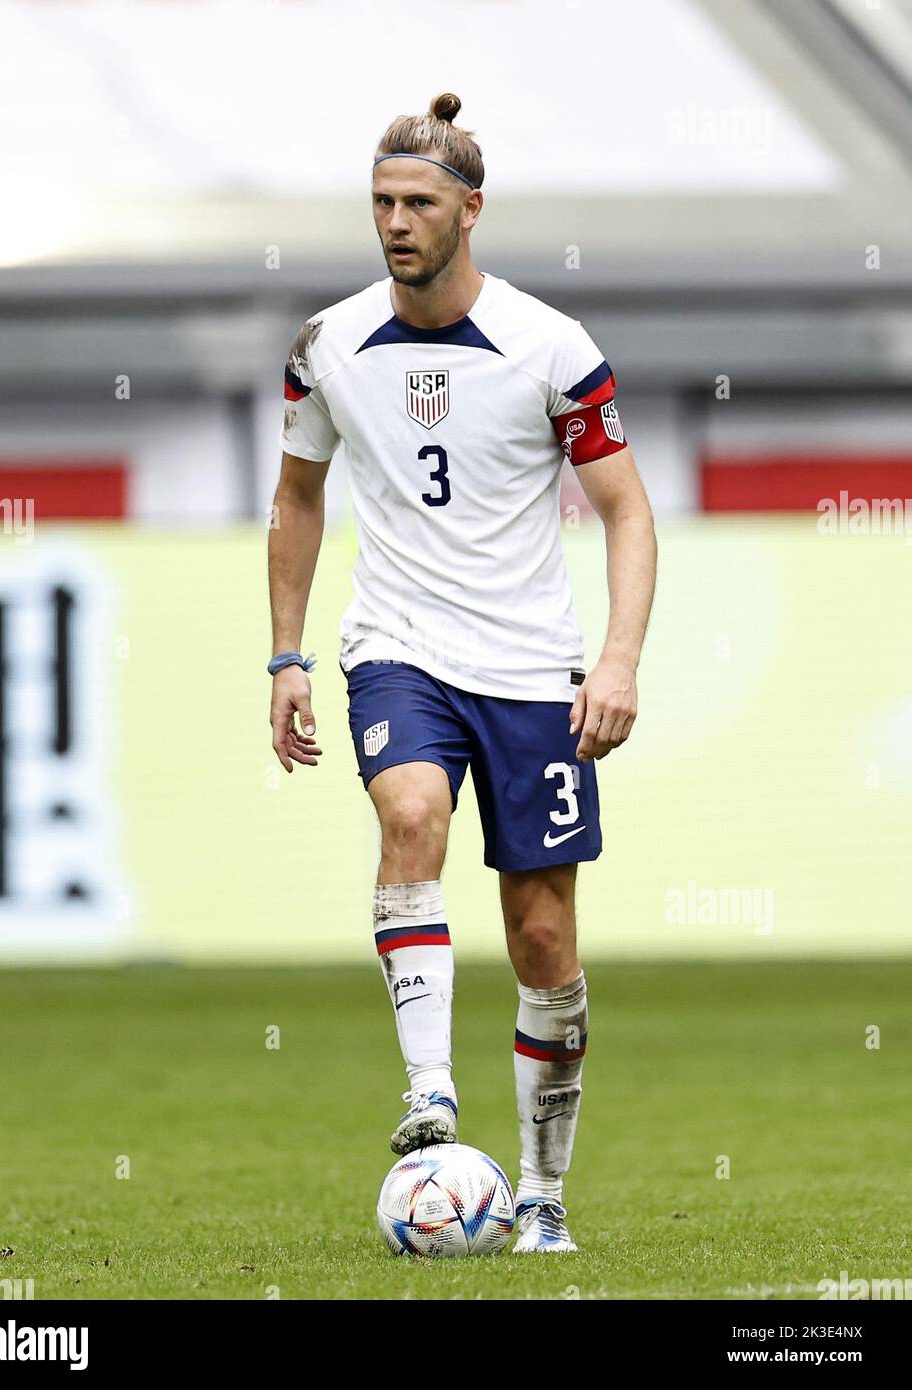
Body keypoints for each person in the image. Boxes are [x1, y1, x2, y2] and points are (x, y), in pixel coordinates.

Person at [267, 93, 657, 1253]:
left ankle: (541, 1193)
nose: (395, 222)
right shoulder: (327, 345)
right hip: (399, 647)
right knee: (410, 810)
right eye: (382, 202)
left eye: (419, 203)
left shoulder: (552, 347)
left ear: (469, 211)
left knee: (543, 940)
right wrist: (287, 653)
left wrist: (620, 659)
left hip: (533, 667)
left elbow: (627, 513)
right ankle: (429, 1093)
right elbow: (297, 499)